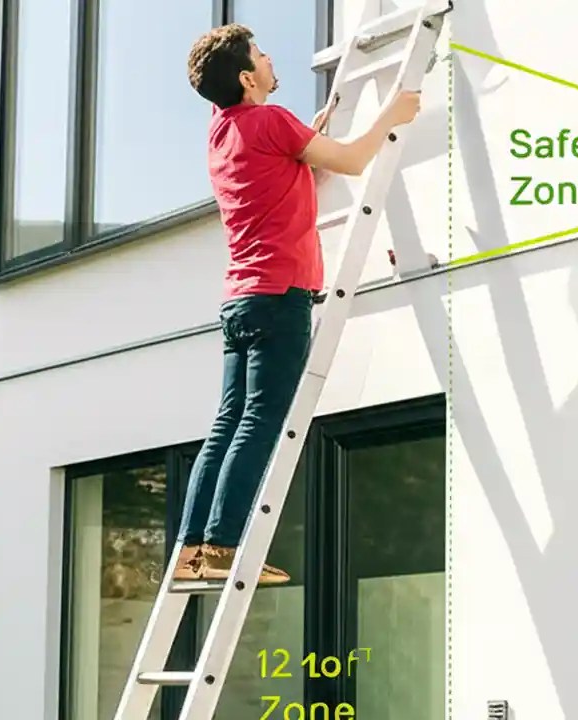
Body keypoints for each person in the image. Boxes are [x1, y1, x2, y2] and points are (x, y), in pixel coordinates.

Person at [174, 24, 420, 585]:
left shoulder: (222, 132)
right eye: (259, 55)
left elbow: (291, 170)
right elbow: (356, 161)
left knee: (227, 422)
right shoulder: (272, 121)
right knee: (260, 420)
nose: (268, 58)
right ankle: (223, 549)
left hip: (239, 299)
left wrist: (306, 142)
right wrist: (393, 113)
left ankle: (192, 548)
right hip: (280, 296)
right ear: (246, 77)